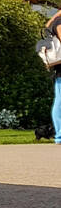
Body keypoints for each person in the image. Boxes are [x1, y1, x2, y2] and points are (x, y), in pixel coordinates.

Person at [48, 11, 61, 145]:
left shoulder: (56, 21)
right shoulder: (59, 22)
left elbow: (48, 25)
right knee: (60, 102)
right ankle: (60, 136)